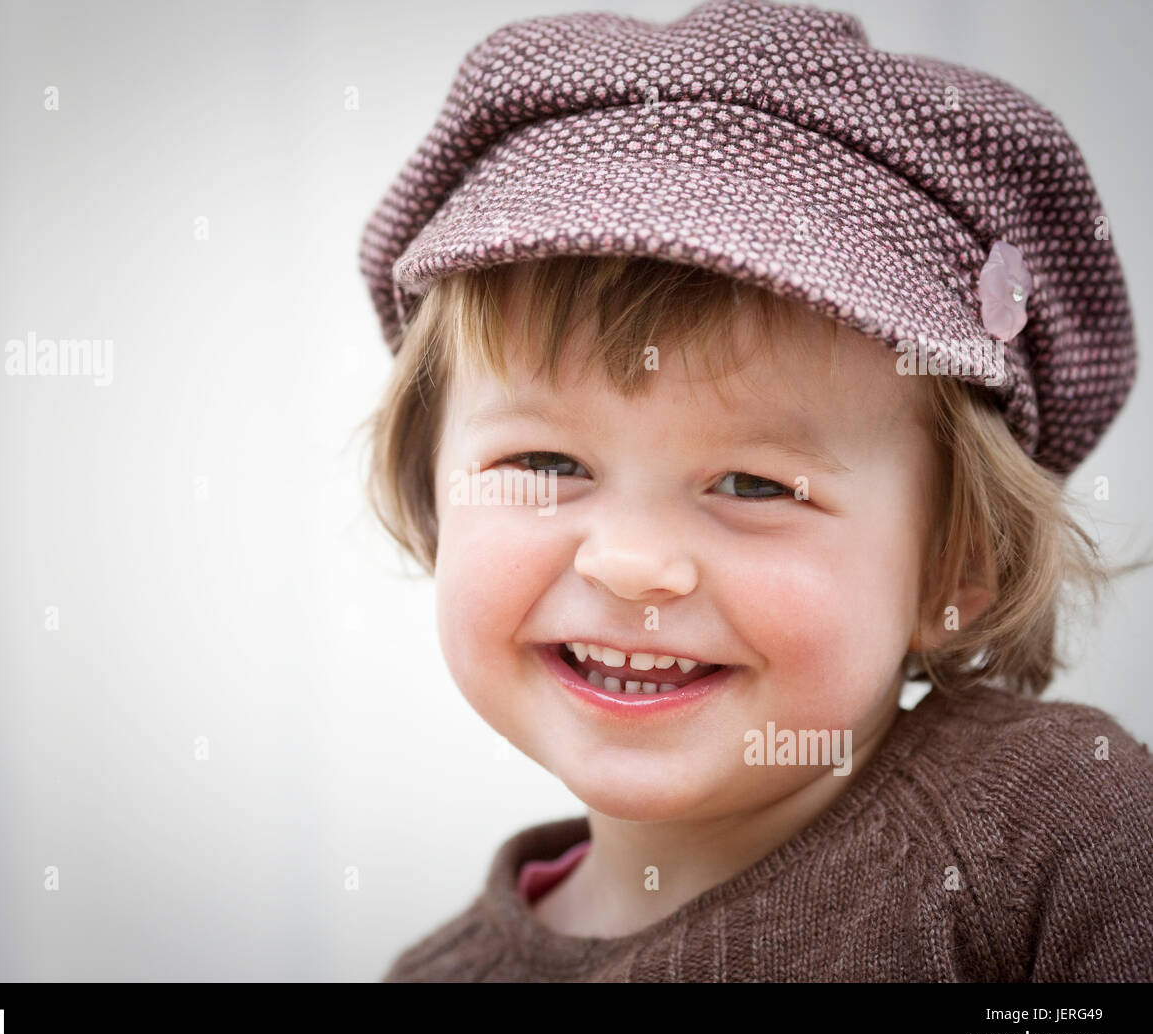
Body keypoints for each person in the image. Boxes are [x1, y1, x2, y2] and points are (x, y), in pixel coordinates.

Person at [356, 0, 1153, 981]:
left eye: (750, 482)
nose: (631, 562)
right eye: (546, 465)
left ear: (958, 562)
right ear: (432, 492)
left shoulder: (1056, 832)